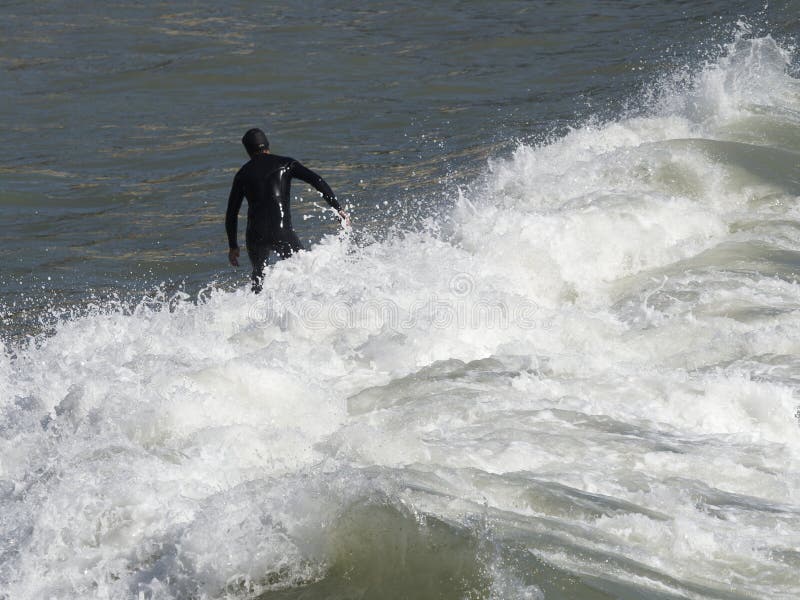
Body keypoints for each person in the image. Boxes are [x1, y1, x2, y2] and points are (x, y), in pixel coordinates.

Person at [225, 128, 349, 292]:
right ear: (268, 145)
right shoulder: (286, 164)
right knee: (303, 272)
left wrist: (233, 246)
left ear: (248, 151)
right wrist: (338, 209)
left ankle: (255, 313)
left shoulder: (242, 174)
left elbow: (232, 213)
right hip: (282, 232)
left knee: (258, 279)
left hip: (256, 235)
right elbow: (316, 180)